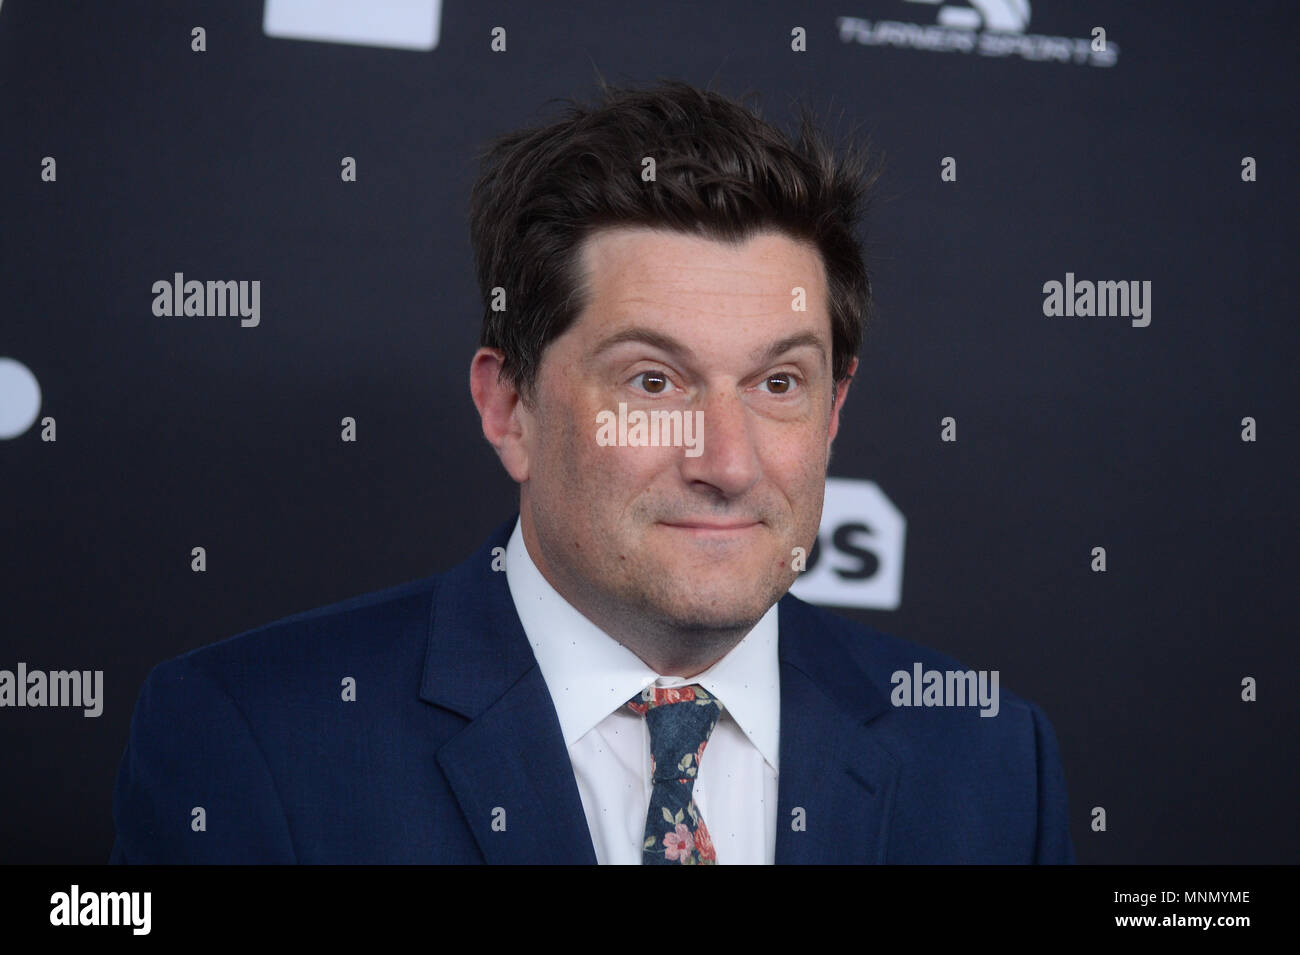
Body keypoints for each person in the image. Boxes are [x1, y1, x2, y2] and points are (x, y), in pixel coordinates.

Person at [110, 79, 1074, 864]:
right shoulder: (255, 740)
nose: (727, 463)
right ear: (510, 406)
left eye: (779, 381)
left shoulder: (987, 760)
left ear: (834, 412)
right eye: (653, 379)